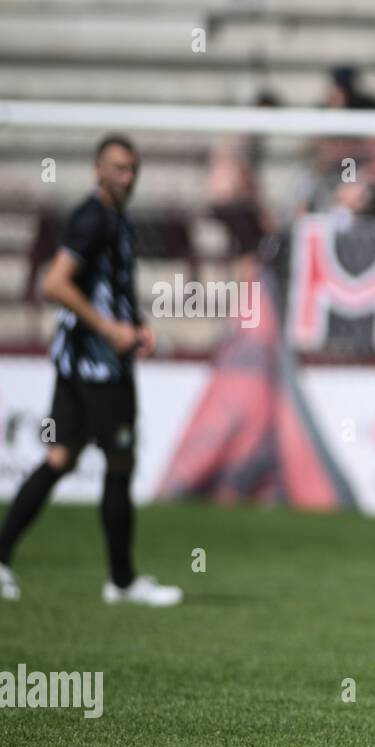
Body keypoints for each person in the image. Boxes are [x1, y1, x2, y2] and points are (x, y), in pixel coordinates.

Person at [0, 135, 183, 607]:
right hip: (97, 370)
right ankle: (121, 582)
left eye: (133, 169)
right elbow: (54, 283)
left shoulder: (117, 221)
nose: (128, 177)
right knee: (119, 462)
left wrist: (136, 329)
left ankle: (2, 559)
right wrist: (109, 330)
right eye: (119, 168)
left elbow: (110, 288)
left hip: (83, 364)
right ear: (98, 171)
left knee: (61, 459)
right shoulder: (92, 218)